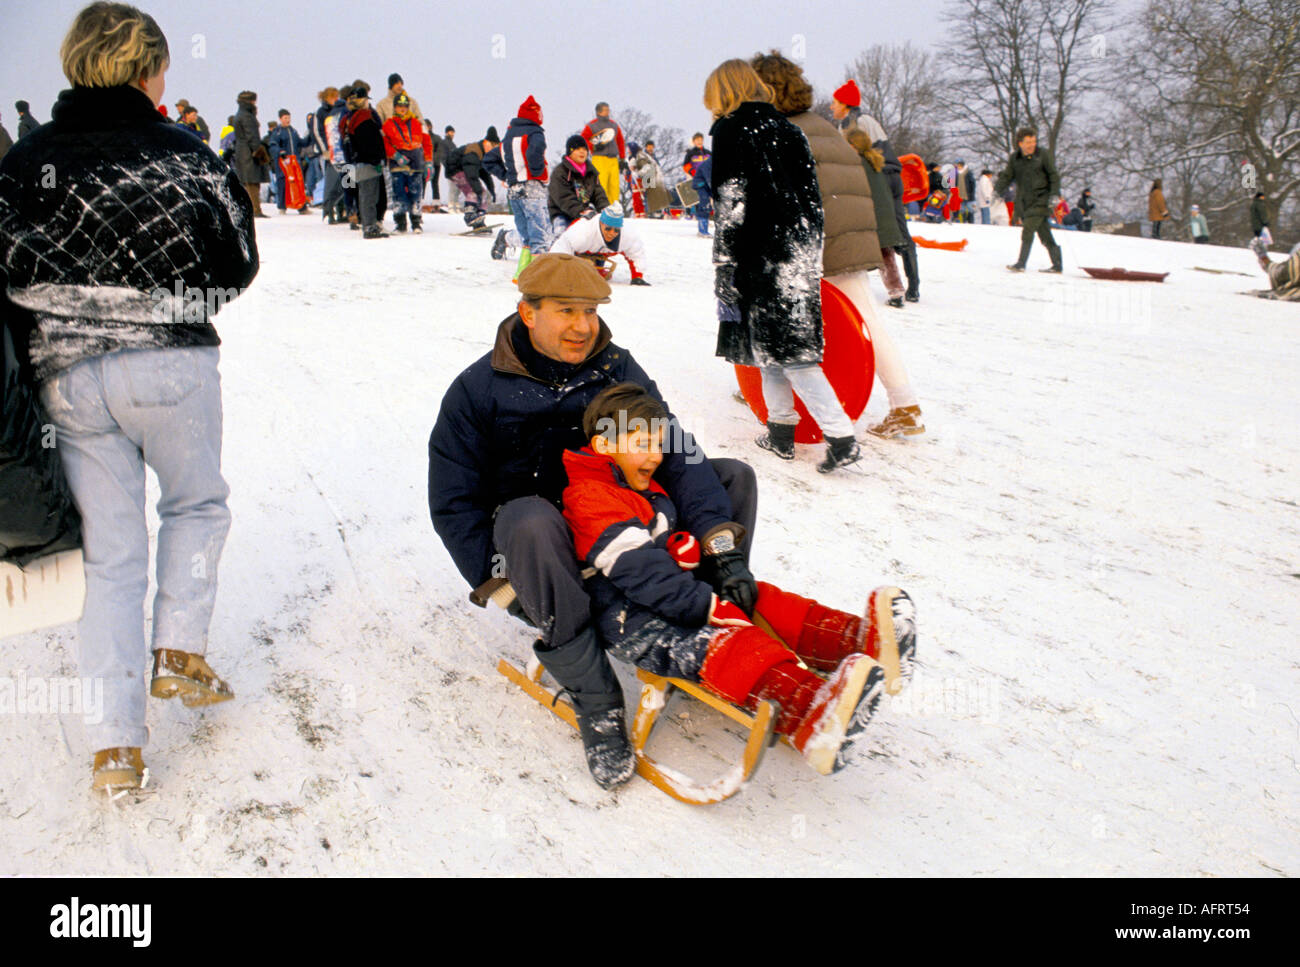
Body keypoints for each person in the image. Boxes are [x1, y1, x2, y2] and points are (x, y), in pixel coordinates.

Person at [0, 0, 258, 796]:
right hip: (172, 364)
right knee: (195, 504)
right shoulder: (187, 155)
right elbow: (239, 259)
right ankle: (178, 648)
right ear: (147, 68)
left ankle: (115, 748)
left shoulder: (27, 161)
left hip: (70, 377)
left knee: (110, 559)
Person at [427, 252, 759, 788]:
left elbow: (672, 446)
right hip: (541, 551)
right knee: (530, 517)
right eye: (566, 310)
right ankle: (595, 698)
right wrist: (498, 581)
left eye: (591, 311)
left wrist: (721, 545)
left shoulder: (615, 368)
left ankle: (697, 609)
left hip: (616, 520)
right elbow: (452, 502)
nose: (583, 326)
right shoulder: (478, 391)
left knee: (730, 477)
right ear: (528, 312)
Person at [560, 383, 916, 781]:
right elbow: (642, 572)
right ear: (605, 445)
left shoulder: (641, 484)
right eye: (643, 443)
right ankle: (810, 715)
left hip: (674, 597)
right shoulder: (590, 496)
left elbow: (662, 549)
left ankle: (861, 640)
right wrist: (705, 605)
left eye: (659, 445)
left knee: (763, 600)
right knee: (729, 646)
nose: (655, 456)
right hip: (634, 622)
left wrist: (692, 556)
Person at [751, 50, 923, 442]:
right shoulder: (821, 125)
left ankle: (902, 405)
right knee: (863, 321)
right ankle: (904, 404)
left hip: (821, 241)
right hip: (846, 234)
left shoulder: (780, 131)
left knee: (787, 320)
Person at [706, 59, 861, 472]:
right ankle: (781, 431)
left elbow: (731, 201)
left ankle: (841, 435)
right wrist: (809, 252)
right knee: (771, 348)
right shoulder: (789, 130)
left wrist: (725, 263)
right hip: (799, 250)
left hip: (760, 252)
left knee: (792, 354)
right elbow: (812, 200)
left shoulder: (731, 130)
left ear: (724, 92)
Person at [493, 95, 552, 276]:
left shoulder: (508, 137)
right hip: (532, 188)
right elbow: (536, 150)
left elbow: (489, 159)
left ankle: (522, 275)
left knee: (526, 236)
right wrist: (536, 170)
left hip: (514, 191)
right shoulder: (535, 133)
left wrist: (506, 175)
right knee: (540, 236)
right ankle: (538, 278)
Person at [994, 126, 1062, 273]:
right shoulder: (1015, 158)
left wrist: (1055, 195)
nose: (1032, 145)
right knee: (1044, 233)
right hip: (1025, 202)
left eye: (1034, 141)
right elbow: (1007, 176)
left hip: (1042, 199)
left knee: (1028, 229)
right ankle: (1057, 265)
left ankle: (1021, 263)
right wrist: (997, 190)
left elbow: (1054, 175)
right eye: (1028, 142)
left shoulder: (1042, 155)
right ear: (1020, 143)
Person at [549, 203, 649, 284]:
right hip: (580, 249)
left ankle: (593, 269)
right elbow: (562, 247)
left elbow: (636, 253)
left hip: (602, 251)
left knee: (595, 276)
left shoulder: (627, 235)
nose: (612, 233)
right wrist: (557, 271)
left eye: (616, 230)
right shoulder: (582, 232)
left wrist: (637, 276)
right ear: (601, 224)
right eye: (608, 229)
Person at [380, 92, 425, 233]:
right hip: (398, 165)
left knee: (415, 193)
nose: (402, 109)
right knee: (399, 194)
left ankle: (416, 222)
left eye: (405, 106)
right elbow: (385, 143)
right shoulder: (388, 125)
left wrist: (428, 161)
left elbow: (426, 142)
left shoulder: (417, 124)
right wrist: (394, 155)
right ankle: (400, 223)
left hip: (415, 164)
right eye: (399, 106)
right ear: (394, 108)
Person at [547, 134, 609, 237]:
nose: (582, 152)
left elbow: (598, 194)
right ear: (570, 152)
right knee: (562, 233)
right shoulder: (561, 172)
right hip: (563, 214)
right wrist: (581, 211)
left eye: (584, 149)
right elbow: (563, 198)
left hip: (584, 214)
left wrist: (605, 209)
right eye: (577, 149)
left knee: (600, 231)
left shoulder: (591, 172)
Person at [444, 127, 498, 230]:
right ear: (486, 142)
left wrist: (492, 191)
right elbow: (471, 174)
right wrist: (477, 189)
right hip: (455, 169)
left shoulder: (483, 154)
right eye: (493, 146)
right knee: (473, 190)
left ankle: (479, 220)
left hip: (466, 171)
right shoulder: (474, 151)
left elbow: (485, 174)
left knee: (483, 193)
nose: (493, 149)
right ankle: (469, 216)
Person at [581, 102, 626, 212]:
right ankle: (602, 209)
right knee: (602, 184)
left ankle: (614, 210)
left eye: (608, 110)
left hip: (613, 159)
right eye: (605, 110)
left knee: (614, 187)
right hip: (599, 159)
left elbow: (620, 141)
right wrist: (593, 147)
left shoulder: (614, 125)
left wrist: (622, 158)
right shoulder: (591, 125)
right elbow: (583, 140)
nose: (608, 112)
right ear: (599, 112)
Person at [232, 90, 269, 217]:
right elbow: (252, 136)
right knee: (252, 183)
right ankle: (255, 209)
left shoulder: (240, 114)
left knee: (248, 182)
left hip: (242, 152)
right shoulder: (247, 116)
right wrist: (259, 152)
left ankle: (253, 209)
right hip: (249, 153)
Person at [267, 108, 310, 214]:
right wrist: (280, 151)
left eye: (289, 118)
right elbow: (272, 145)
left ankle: (302, 207)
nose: (288, 120)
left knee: (299, 183)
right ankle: (282, 206)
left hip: (295, 161)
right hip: (283, 162)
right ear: (280, 119)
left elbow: (301, 142)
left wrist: (310, 136)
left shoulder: (293, 131)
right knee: (283, 183)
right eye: (285, 118)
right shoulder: (277, 132)